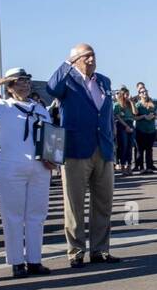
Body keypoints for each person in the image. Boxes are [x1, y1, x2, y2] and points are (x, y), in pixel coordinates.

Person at [0, 67, 54, 277]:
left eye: (26, 81)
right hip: (11, 166)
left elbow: (51, 137)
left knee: (37, 215)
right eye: (18, 82)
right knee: (13, 216)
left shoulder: (40, 109)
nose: (24, 85)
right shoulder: (2, 107)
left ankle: (34, 260)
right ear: (9, 87)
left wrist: (53, 157)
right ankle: (17, 261)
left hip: (39, 167)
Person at [47, 44, 120, 268]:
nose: (90, 59)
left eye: (92, 55)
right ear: (74, 60)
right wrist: (67, 65)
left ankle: (100, 250)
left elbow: (106, 115)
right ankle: (76, 251)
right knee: (74, 204)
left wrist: (112, 146)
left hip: (103, 149)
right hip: (76, 150)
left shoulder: (104, 81)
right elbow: (51, 88)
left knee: (103, 203)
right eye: (85, 56)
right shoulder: (66, 81)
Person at [133, 87, 157, 173]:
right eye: (142, 92)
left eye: (146, 91)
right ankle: (141, 168)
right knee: (140, 150)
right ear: (139, 94)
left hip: (151, 130)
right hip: (141, 130)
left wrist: (153, 116)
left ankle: (149, 167)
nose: (145, 93)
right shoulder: (138, 105)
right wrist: (144, 116)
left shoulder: (152, 104)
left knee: (149, 149)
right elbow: (134, 117)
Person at [113, 86, 136, 176]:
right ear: (122, 95)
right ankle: (123, 167)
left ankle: (129, 166)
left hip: (130, 124)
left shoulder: (129, 104)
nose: (127, 96)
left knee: (130, 147)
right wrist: (126, 126)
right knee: (123, 146)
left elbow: (135, 113)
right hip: (122, 125)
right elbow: (117, 116)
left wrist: (132, 102)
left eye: (128, 94)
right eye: (126, 94)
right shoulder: (117, 105)